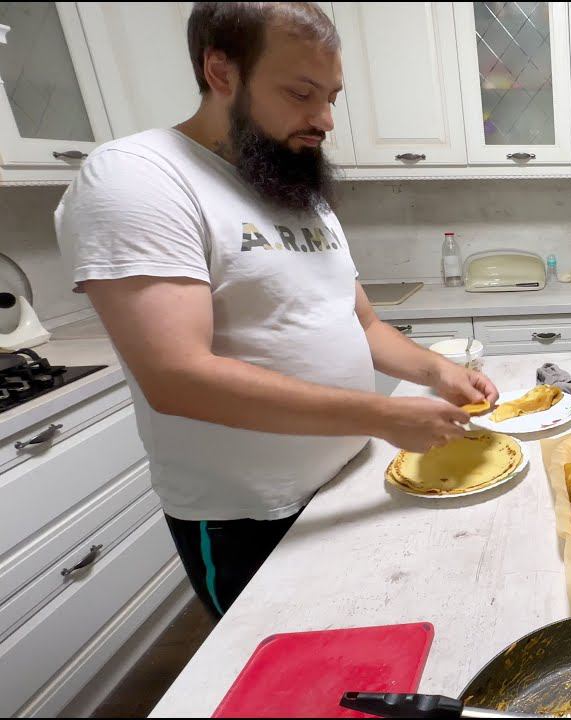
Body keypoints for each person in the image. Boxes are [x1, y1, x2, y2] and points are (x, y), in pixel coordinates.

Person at [53, 2, 497, 620]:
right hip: (249, 517)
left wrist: (435, 371)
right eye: (300, 93)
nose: (325, 119)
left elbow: (363, 323)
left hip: (351, 478)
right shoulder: (138, 178)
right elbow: (176, 377)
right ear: (221, 71)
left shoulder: (294, 191)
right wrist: (381, 415)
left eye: (331, 97)